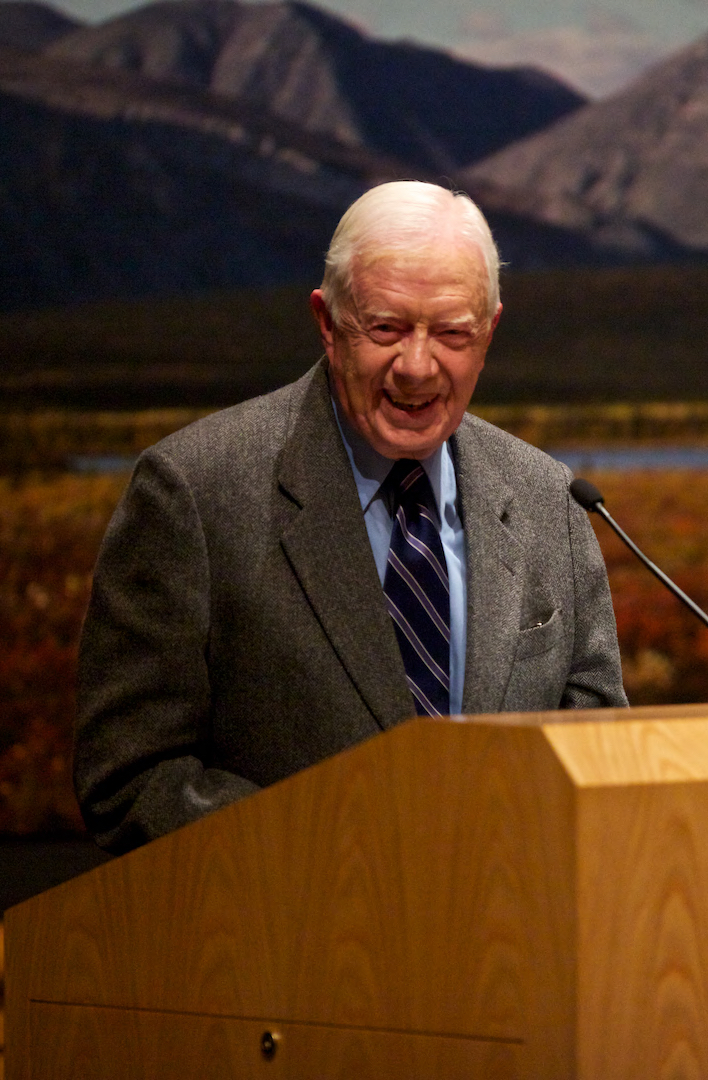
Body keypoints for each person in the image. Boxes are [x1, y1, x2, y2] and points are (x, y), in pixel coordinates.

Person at [74, 181, 627, 854]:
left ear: (489, 334)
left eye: (452, 333)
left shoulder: (549, 500)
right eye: (387, 328)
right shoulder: (194, 492)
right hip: (290, 941)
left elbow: (599, 756)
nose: (418, 367)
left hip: (506, 940)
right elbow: (130, 781)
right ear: (328, 324)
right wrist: (345, 852)